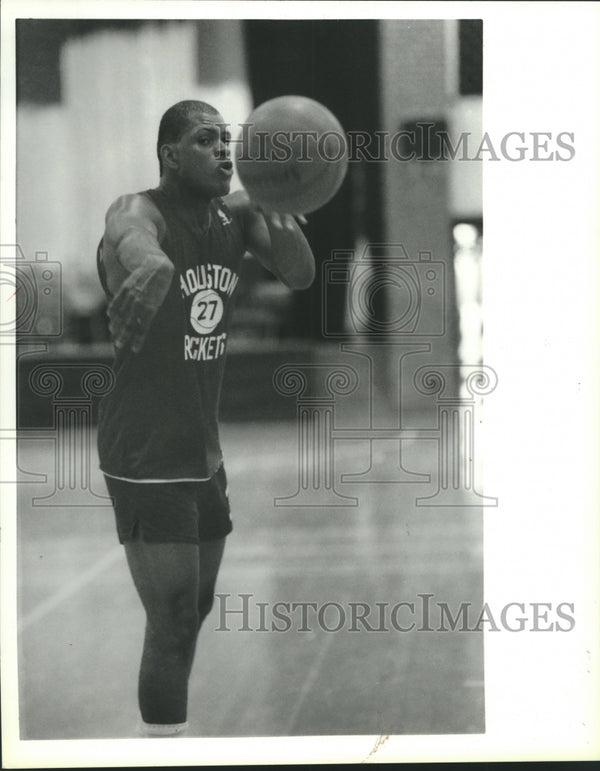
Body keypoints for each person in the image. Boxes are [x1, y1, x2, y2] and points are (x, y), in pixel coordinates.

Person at [96, 100, 315, 737]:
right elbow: (130, 237)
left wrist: (276, 206)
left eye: (227, 140)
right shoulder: (137, 210)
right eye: (204, 140)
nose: (224, 150)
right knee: (169, 623)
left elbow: (299, 274)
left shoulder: (238, 215)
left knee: (193, 608)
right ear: (169, 155)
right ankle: (162, 749)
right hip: (145, 449)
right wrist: (151, 264)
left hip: (203, 450)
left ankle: (166, 737)